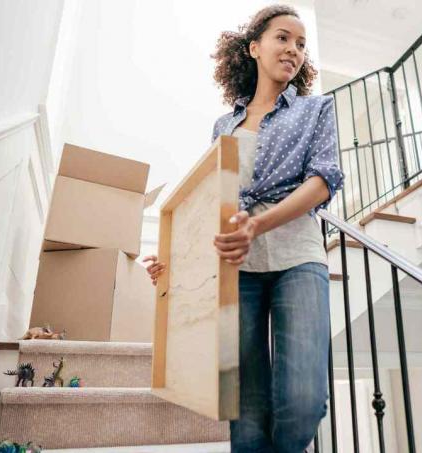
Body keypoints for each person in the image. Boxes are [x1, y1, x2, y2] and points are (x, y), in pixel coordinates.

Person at [144, 5, 344, 452]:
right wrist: (176, 263)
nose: (293, 49)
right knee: (247, 415)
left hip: (299, 257)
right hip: (238, 271)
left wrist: (259, 223)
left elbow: (323, 181)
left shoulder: (316, 110)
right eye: (283, 38)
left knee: (304, 401)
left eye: (301, 43)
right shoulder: (224, 126)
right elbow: (210, 204)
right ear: (254, 48)